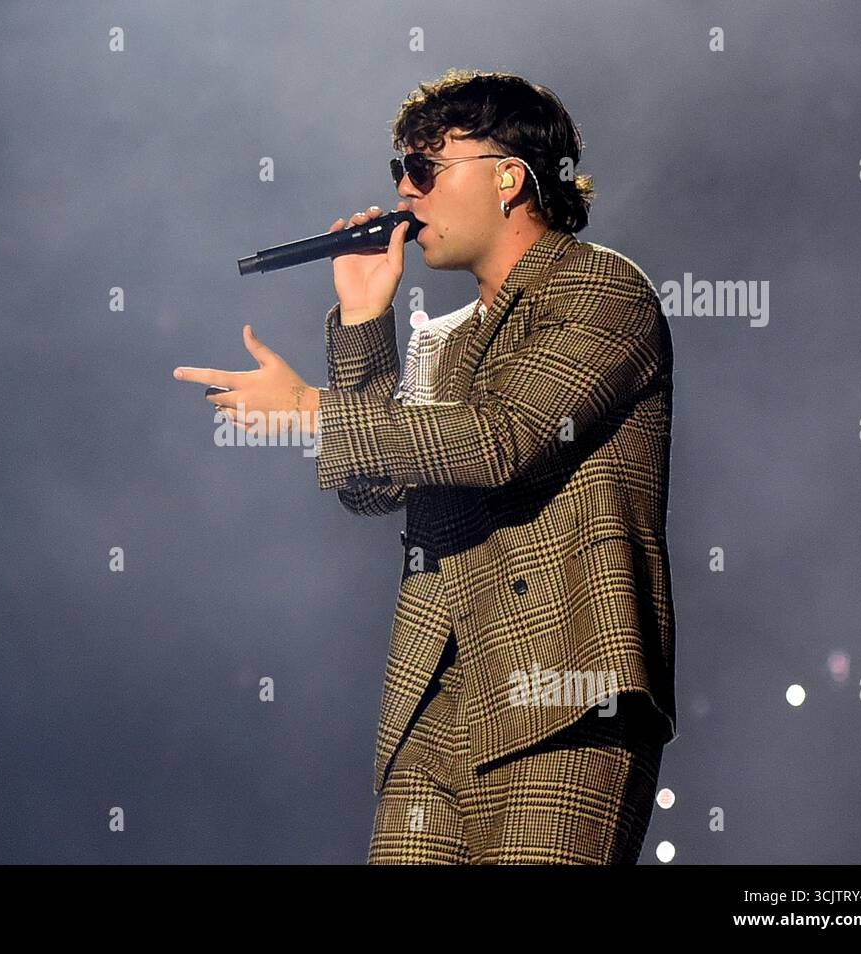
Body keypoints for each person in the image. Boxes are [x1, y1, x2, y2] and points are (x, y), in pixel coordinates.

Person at [173, 69, 677, 863]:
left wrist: (308, 408)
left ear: (509, 177)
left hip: (563, 696)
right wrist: (366, 322)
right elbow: (373, 486)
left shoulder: (602, 290)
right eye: (398, 173)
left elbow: (503, 439)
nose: (405, 195)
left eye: (426, 170)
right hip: (433, 705)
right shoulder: (438, 341)